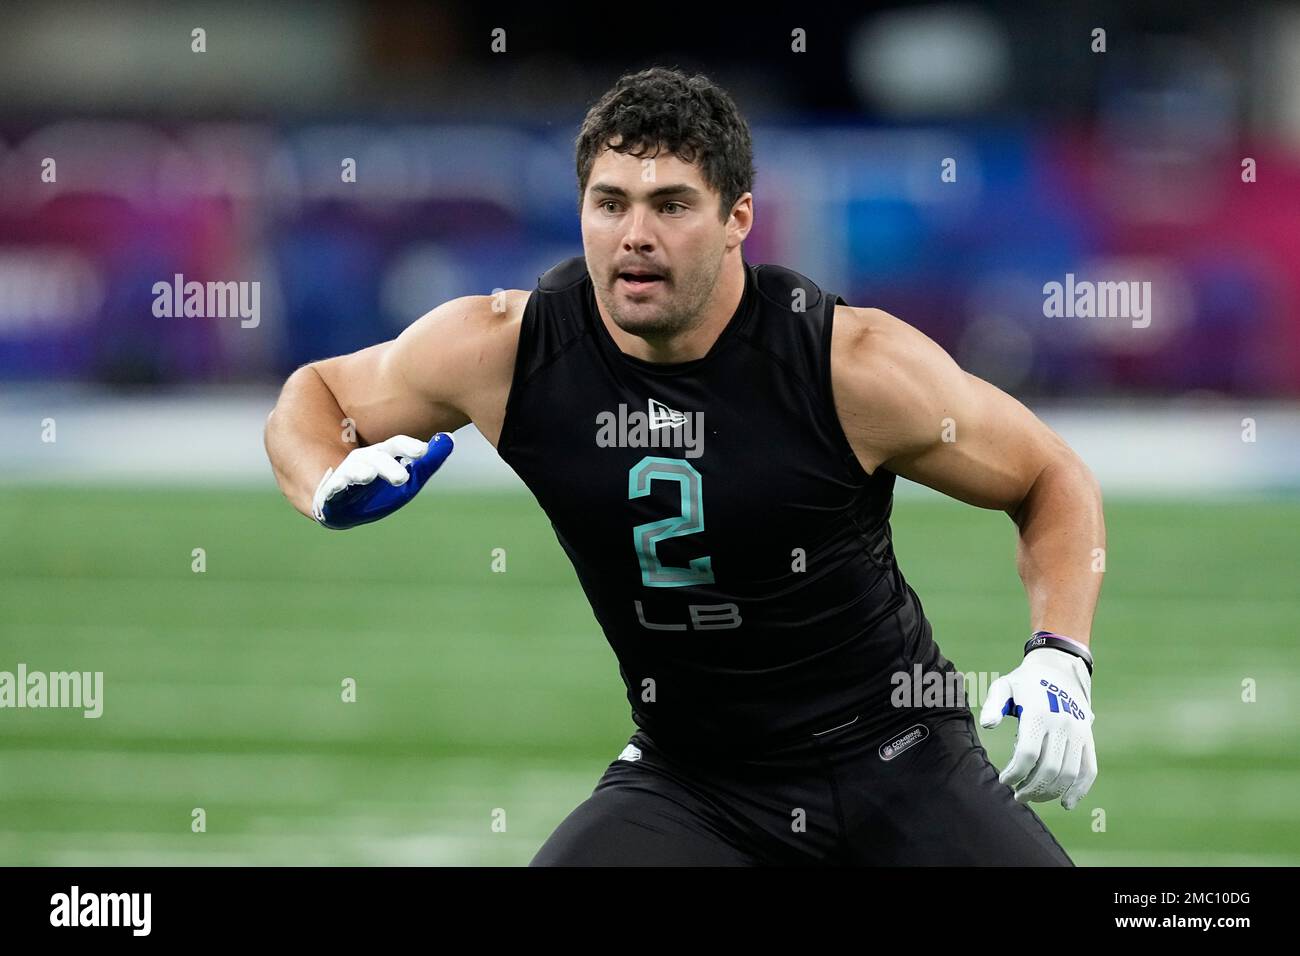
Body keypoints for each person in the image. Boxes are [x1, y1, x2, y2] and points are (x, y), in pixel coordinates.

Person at [264, 66, 1105, 866]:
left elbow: (1047, 474)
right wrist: (324, 485)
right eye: (610, 203)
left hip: (897, 755)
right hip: (696, 779)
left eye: (671, 205)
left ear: (739, 217)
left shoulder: (846, 362)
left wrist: (1060, 654)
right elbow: (319, 394)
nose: (635, 235)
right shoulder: (506, 350)